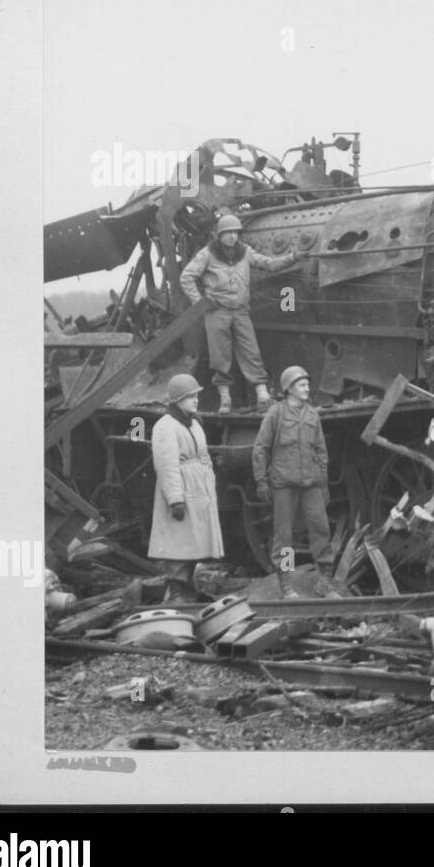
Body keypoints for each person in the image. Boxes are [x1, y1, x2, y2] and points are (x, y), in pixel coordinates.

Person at [179, 214, 300, 413]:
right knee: (220, 357)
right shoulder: (207, 253)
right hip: (217, 312)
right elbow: (186, 277)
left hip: (241, 311)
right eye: (228, 233)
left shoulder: (244, 252)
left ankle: (263, 396)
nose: (233, 236)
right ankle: (225, 400)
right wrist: (200, 303)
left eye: (235, 232)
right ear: (219, 235)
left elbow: (269, 264)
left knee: (251, 352)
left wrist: (293, 257)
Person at [252, 365, 338, 598]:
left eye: (307, 384)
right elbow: (261, 448)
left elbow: (321, 452)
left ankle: (325, 580)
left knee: (321, 529)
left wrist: (324, 484)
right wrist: (261, 481)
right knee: (285, 536)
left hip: (312, 483)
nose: (307, 388)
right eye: (302, 385)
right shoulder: (276, 414)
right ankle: (287, 583)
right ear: (289, 389)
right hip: (284, 484)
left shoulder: (312, 415)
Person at [149, 373, 224, 602]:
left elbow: (204, 455)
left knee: (193, 542)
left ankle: (187, 589)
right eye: (191, 396)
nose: (196, 400)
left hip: (198, 490)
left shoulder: (194, 423)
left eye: (196, 396)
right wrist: (175, 499)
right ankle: (177, 591)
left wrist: (208, 479)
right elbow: (166, 466)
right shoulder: (166, 426)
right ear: (178, 400)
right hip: (181, 490)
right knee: (179, 541)